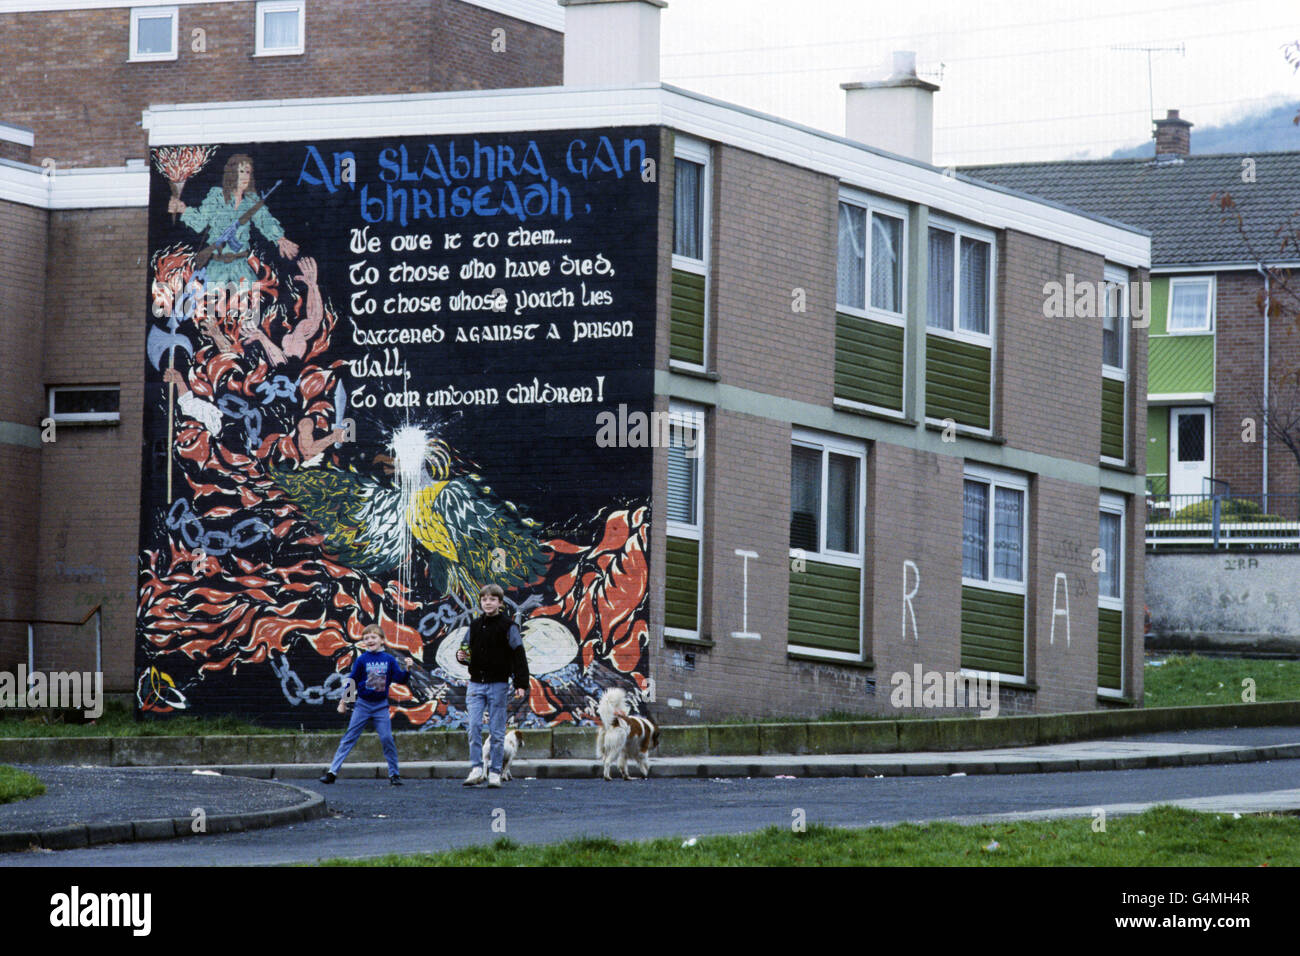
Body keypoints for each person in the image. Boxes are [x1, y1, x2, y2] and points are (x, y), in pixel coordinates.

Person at [170, 153, 299, 288]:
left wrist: (281, 239)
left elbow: (265, 220)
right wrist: (184, 210)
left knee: (251, 303)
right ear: (232, 174)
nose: (244, 176)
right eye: (241, 171)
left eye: (247, 172)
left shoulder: (252, 201)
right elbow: (200, 222)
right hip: (217, 266)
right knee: (210, 304)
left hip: (241, 265)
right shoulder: (217, 196)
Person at [320, 624, 414, 786]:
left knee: (386, 738)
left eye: (373, 637)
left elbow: (400, 679)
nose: (369, 640)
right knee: (349, 737)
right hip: (363, 705)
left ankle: (394, 774)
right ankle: (332, 772)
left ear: (382, 640)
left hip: (381, 706)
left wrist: (407, 668)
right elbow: (352, 680)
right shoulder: (362, 660)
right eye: (366, 638)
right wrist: (343, 702)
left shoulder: (389, 660)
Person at [458, 584, 529, 788]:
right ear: (480, 602)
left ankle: (495, 771)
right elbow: (465, 654)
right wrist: (461, 657)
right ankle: (477, 768)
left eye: (492, 599)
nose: (487, 603)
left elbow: (518, 655)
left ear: (500, 602)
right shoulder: (474, 626)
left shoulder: (509, 626)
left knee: (497, 731)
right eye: (484, 599)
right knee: (473, 727)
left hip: (498, 684)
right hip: (475, 685)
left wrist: (521, 683)